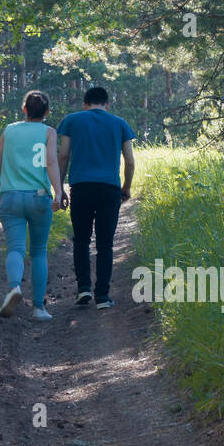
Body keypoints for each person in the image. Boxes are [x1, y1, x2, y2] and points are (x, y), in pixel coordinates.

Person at [56, 86, 136, 309]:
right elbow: (130, 161)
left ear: (85, 103)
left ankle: (83, 289)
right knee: (105, 244)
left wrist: (59, 187)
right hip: (109, 189)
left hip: (81, 186)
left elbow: (63, 155)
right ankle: (102, 296)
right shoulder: (119, 123)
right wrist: (126, 187)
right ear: (107, 104)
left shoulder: (72, 120)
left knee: (81, 240)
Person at [0, 90, 62, 321]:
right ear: (47, 112)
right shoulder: (49, 132)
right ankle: (39, 308)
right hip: (38, 196)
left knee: (15, 249)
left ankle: (14, 287)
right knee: (39, 251)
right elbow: (51, 162)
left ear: (24, 110)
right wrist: (59, 192)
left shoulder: (9, 131)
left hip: (10, 197)